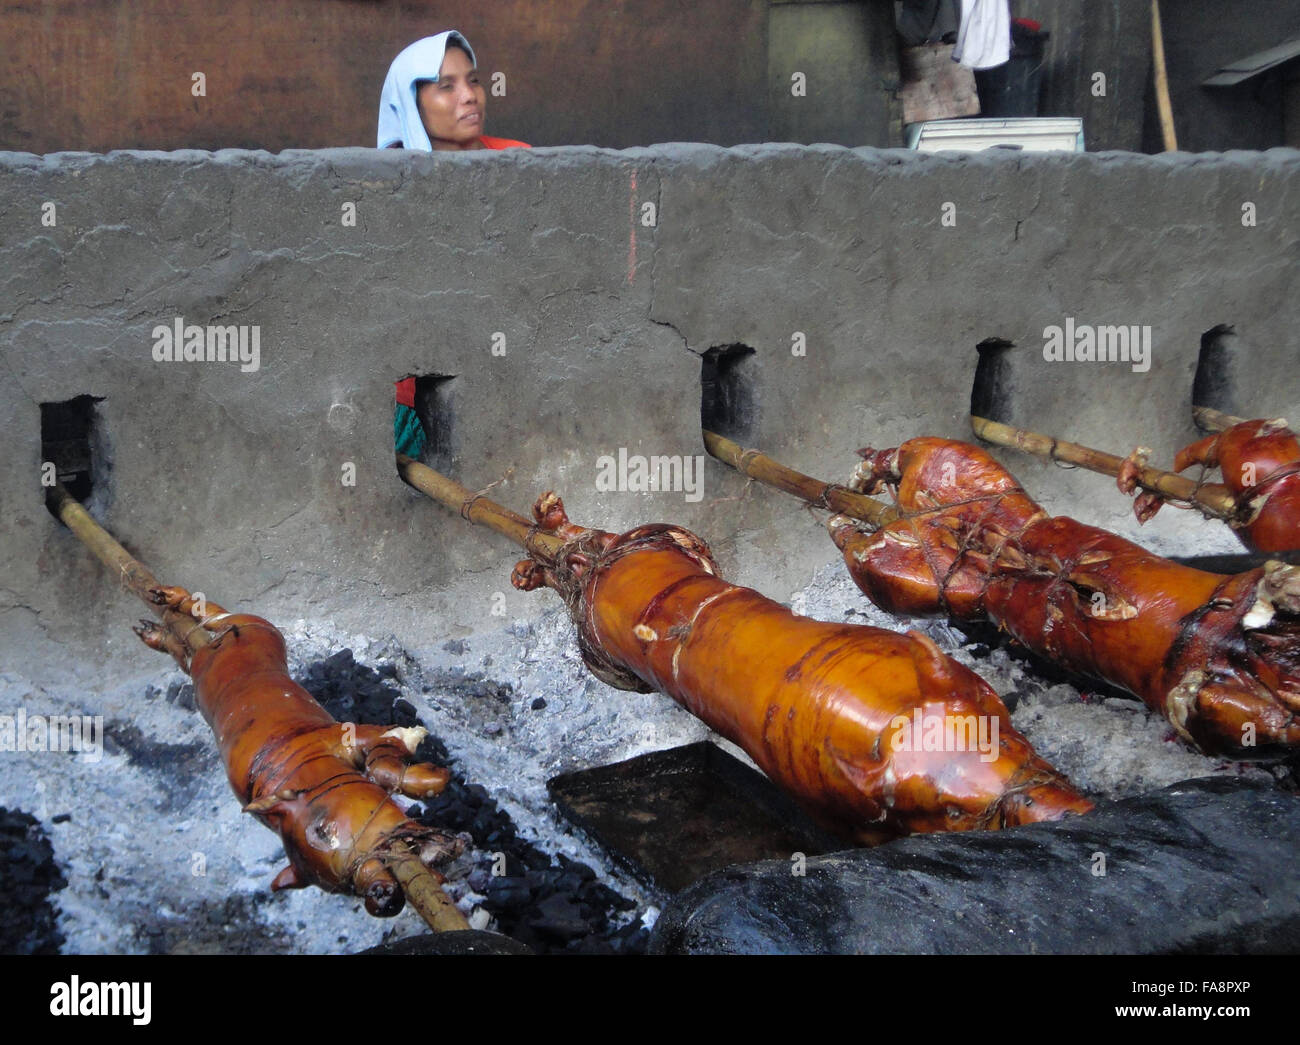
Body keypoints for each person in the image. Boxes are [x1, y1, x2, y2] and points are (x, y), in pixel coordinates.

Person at [380, 31, 530, 456]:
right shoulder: (384, 185)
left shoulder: (520, 161)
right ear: (411, 103)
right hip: (419, 387)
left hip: (512, 370)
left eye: (474, 81)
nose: (469, 97)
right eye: (447, 86)